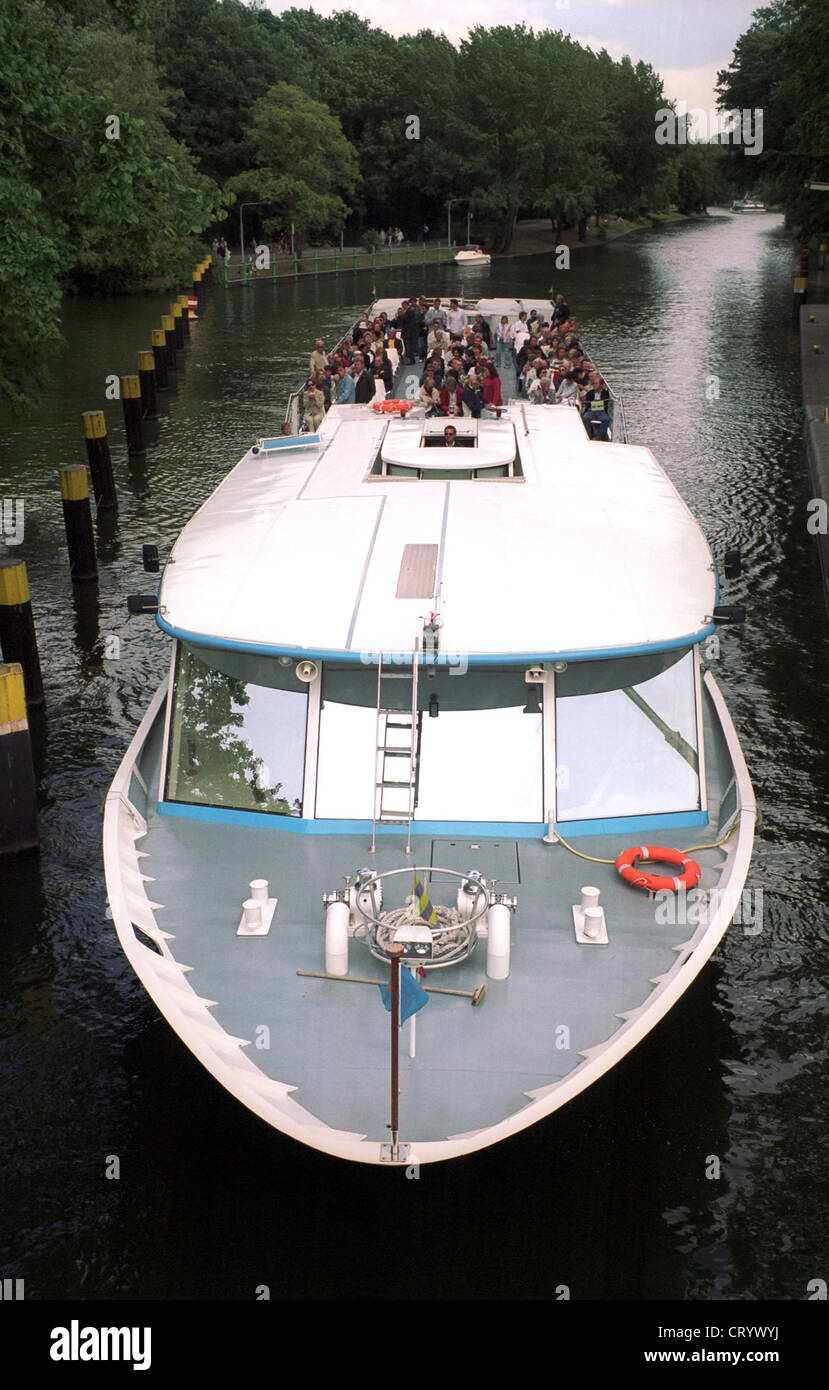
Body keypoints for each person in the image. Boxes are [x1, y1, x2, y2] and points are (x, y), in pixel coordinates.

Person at [581, 372, 612, 439]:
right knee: (585, 418)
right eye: (594, 383)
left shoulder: (605, 393)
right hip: (591, 410)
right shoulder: (590, 393)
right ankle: (588, 435)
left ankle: (600, 437)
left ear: (601, 385)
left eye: (596, 383)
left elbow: (606, 403)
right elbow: (588, 404)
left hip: (601, 411)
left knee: (606, 419)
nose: (594, 385)